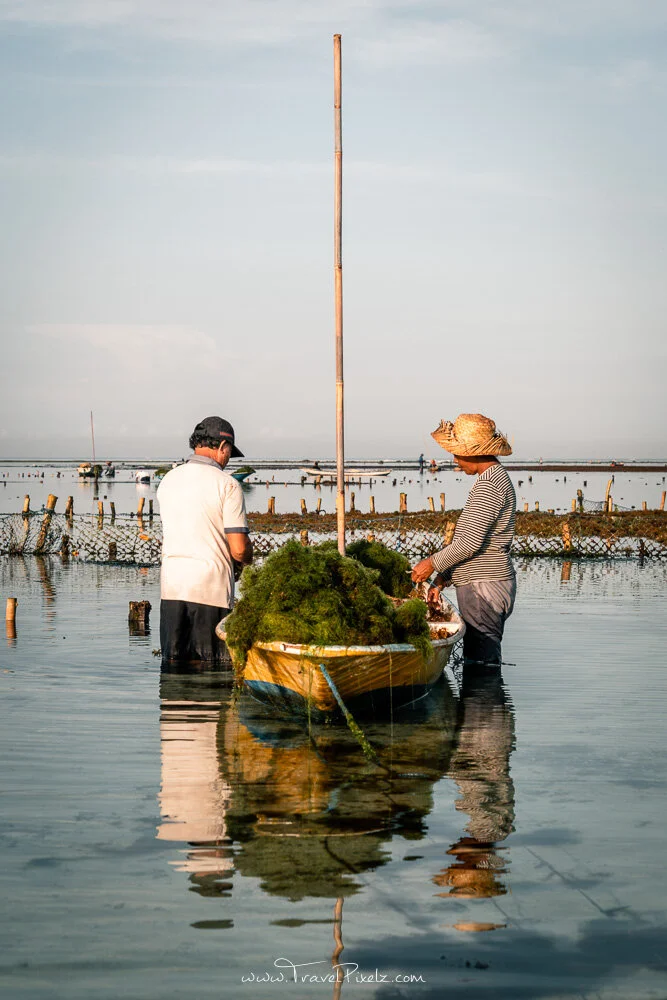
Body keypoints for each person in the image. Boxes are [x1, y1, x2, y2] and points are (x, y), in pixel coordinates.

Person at [412, 413, 516, 666]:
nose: (456, 462)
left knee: (482, 665)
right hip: (486, 582)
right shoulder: (494, 479)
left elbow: (468, 544)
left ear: (474, 453)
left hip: (484, 587)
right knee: (481, 660)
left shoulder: (489, 485)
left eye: (458, 454)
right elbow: (475, 542)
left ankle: (484, 704)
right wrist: (441, 579)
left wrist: (431, 563)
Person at [157, 416, 253, 666]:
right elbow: (239, 549)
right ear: (223, 447)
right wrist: (247, 560)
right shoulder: (228, 485)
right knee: (213, 669)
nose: (228, 459)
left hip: (172, 589)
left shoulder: (168, 481)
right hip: (211, 593)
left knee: (173, 670)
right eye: (230, 452)